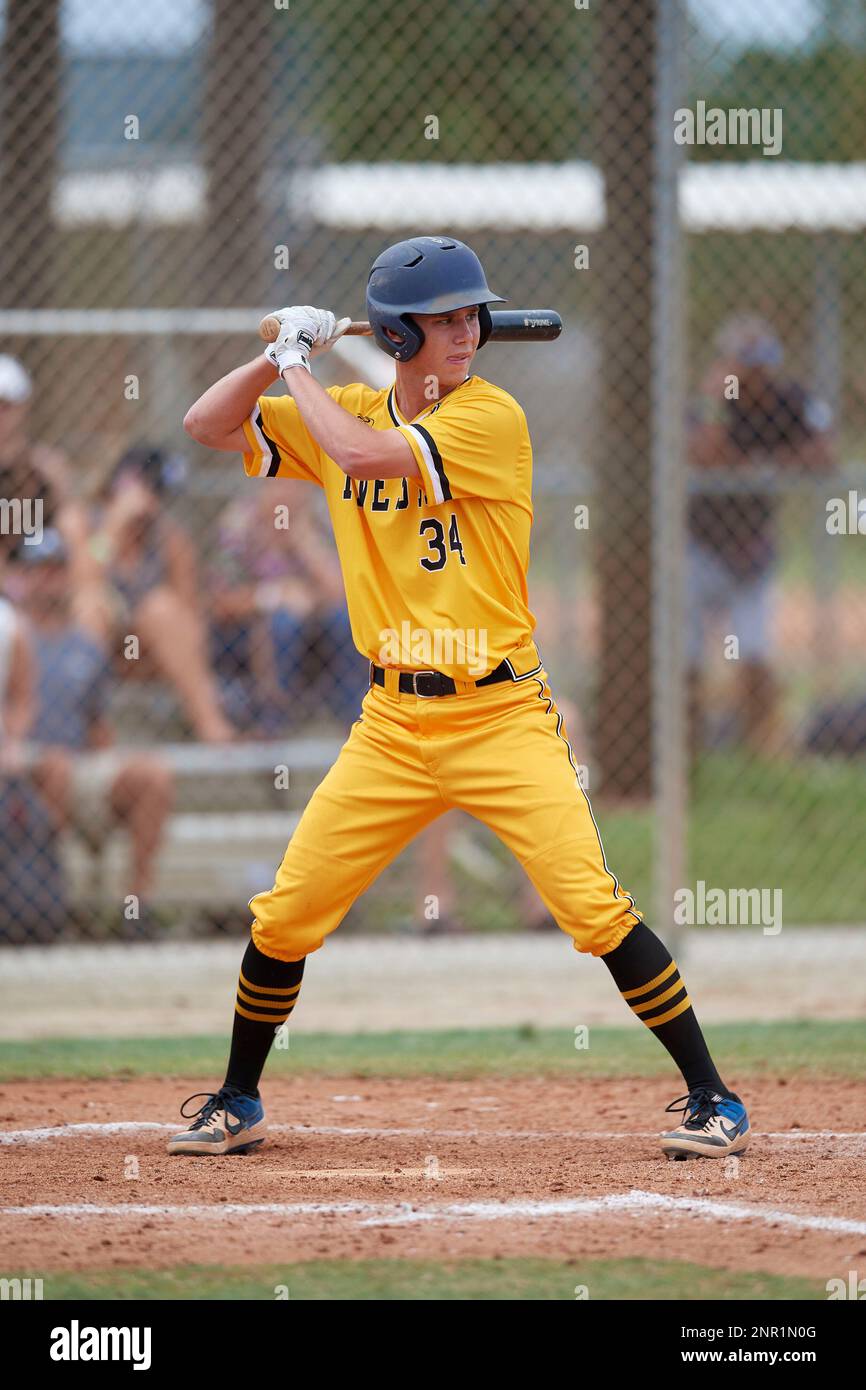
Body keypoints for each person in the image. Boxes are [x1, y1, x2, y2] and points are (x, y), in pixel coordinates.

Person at [168, 236, 750, 1161]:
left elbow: (362, 458)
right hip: (392, 726)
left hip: (502, 715)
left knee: (593, 909)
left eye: (471, 315)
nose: (467, 333)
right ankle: (238, 1098)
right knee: (285, 915)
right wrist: (276, 355)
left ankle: (712, 1095)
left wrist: (294, 365)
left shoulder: (490, 420)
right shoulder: (343, 408)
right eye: (442, 321)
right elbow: (207, 424)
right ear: (395, 336)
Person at [687, 317, 832, 752]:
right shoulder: (713, 401)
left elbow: (824, 455)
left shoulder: (789, 400)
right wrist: (715, 399)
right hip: (701, 546)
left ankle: (759, 751)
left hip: (752, 550)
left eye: (760, 367)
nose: (754, 379)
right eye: (744, 367)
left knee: (755, 657)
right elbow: (706, 456)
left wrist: (762, 462)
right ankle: (689, 751)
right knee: (687, 661)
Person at [19, 529, 173, 933]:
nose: (46, 580)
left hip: (78, 768)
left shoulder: (85, 646)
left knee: (151, 775)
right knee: (54, 768)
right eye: (36, 570)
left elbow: (97, 725)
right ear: (20, 576)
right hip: (21, 766)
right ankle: (45, 907)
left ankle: (134, 911)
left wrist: (111, 764)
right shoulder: (10, 637)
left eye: (55, 570)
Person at [89, 445, 235, 743]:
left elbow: (190, 617)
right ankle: (90, 724)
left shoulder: (169, 539)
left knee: (161, 608)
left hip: (149, 656)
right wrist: (115, 526)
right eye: (153, 492)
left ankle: (213, 729)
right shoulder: (86, 523)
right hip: (98, 647)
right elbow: (83, 580)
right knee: (93, 606)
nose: (157, 504)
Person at [210, 477, 365, 731]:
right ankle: (274, 720)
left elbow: (343, 591)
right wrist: (274, 596)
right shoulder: (240, 524)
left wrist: (301, 538)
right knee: (284, 622)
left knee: (343, 618)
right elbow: (221, 601)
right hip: (256, 629)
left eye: (295, 485)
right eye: (276, 485)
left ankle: (353, 715)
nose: (285, 494)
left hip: (319, 623)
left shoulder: (320, 518)